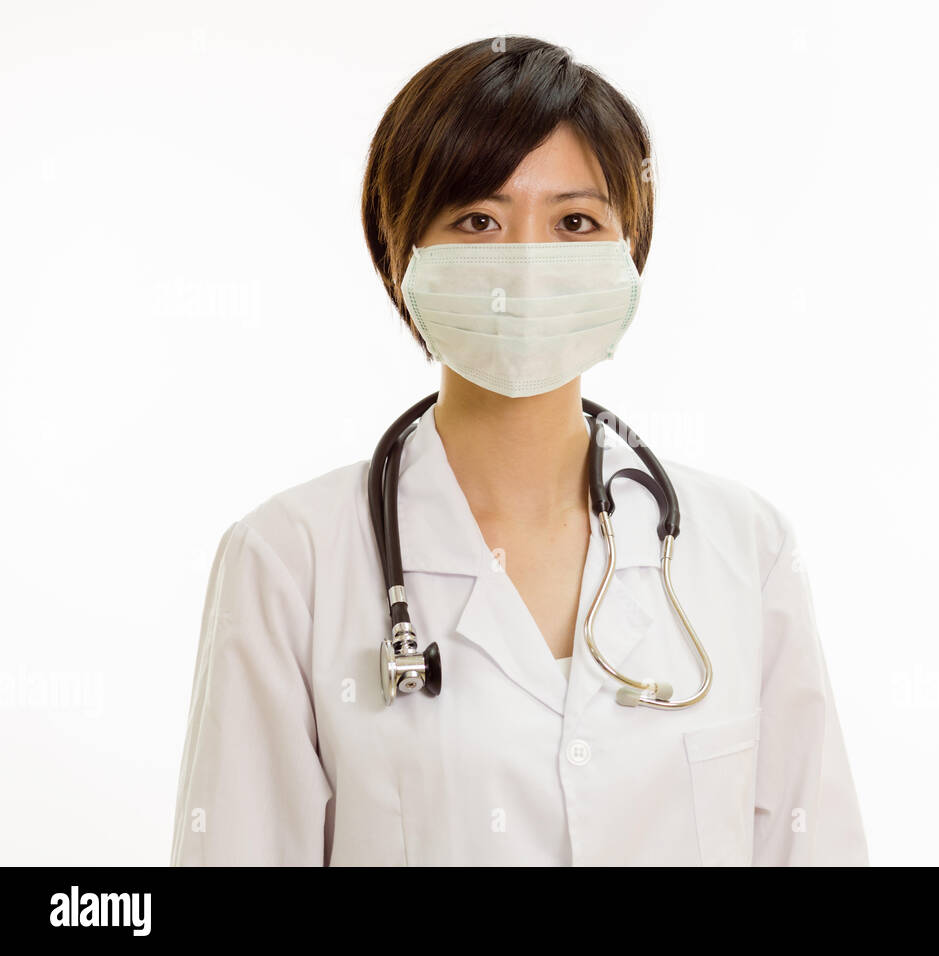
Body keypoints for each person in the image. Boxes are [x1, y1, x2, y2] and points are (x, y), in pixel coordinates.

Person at [170, 35, 868, 866]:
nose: (527, 264)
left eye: (575, 222)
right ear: (401, 254)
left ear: (629, 254)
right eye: (478, 219)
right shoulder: (292, 560)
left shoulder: (745, 547)